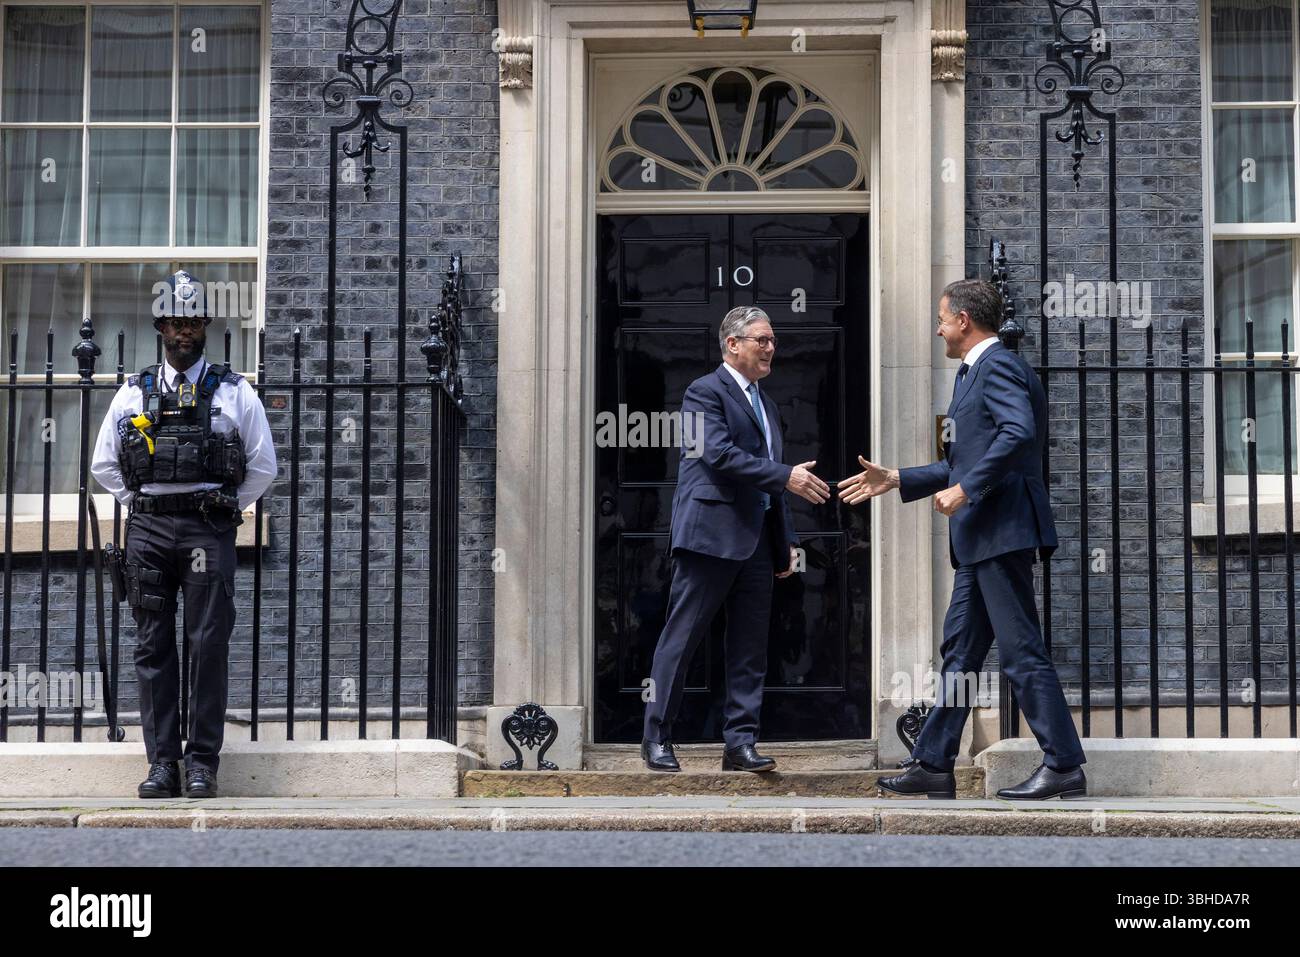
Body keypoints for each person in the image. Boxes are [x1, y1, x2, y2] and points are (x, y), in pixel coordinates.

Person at [839, 279, 1087, 800]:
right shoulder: (972, 374)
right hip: (982, 540)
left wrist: (967, 491)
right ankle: (933, 762)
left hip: (1001, 531)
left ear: (964, 321)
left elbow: (1017, 435)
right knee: (960, 654)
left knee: (1020, 650)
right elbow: (962, 459)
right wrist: (899, 478)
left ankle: (1064, 764)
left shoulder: (997, 367)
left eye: (941, 317)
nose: (937, 327)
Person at [91, 269, 277, 799]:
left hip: (206, 530)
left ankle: (202, 766)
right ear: (160, 326)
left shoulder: (236, 392)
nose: (184, 332)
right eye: (175, 321)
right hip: (148, 530)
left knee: (208, 646)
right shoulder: (132, 393)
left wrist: (223, 507)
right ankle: (162, 765)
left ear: (206, 325)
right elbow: (105, 464)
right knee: (153, 647)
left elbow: (264, 466)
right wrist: (141, 506)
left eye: (193, 321)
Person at [641, 305, 830, 773]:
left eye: (772, 340)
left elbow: (773, 484)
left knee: (749, 648)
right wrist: (786, 476)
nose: (771, 348)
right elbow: (718, 455)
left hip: (756, 545)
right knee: (681, 640)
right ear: (733, 344)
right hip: (708, 537)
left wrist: (784, 539)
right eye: (761, 340)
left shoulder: (766, 404)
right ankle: (657, 737)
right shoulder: (702, 392)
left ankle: (739, 744)